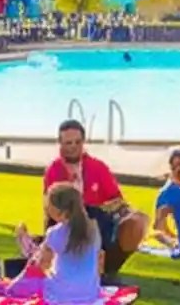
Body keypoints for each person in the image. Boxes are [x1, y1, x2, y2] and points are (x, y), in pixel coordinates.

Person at [42, 120, 147, 281]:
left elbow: (116, 199)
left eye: (77, 142)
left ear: (83, 142)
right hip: (67, 222)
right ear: (60, 143)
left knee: (138, 221)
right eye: (68, 142)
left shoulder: (98, 167)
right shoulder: (53, 170)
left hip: (98, 221)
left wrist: (125, 212)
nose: (73, 146)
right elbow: (51, 206)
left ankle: (107, 270)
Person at [5, 183, 102, 304]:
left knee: (32, 277)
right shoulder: (94, 230)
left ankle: (10, 287)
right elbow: (97, 262)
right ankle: (30, 247)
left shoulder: (55, 233)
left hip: (60, 297)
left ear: (56, 210)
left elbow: (41, 265)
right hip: (90, 296)